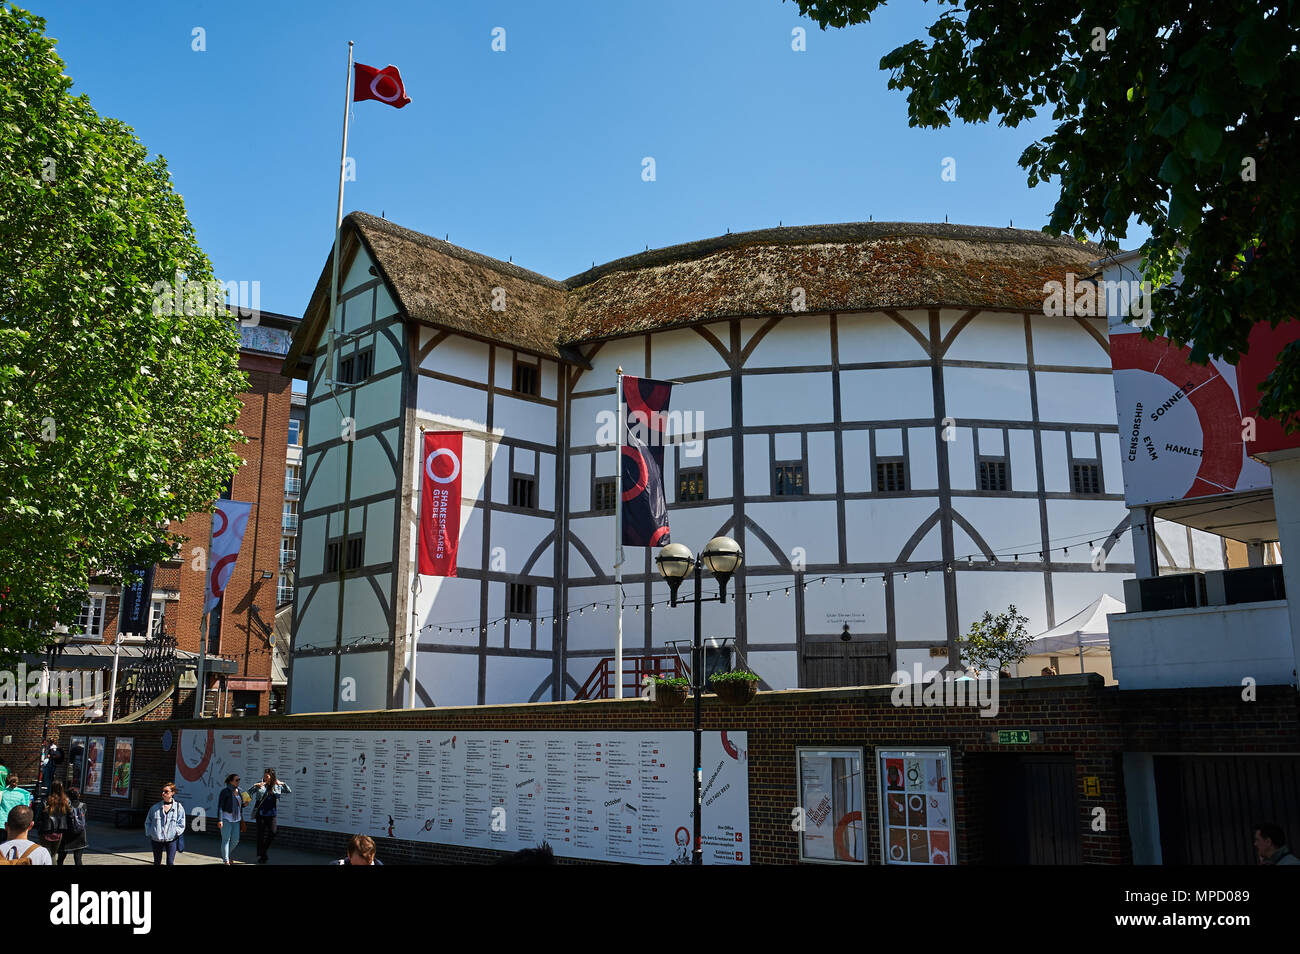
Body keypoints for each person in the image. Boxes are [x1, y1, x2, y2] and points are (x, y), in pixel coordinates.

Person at [250, 768, 291, 864]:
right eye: (264, 776)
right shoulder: (260, 784)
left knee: (273, 832)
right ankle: (263, 856)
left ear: (272, 776)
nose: (265, 777)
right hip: (260, 814)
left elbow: (288, 791)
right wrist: (255, 786)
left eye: (267, 776)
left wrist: (282, 783)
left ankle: (262, 851)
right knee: (260, 835)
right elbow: (250, 792)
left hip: (271, 813)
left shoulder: (276, 786)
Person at [144, 781, 186, 865]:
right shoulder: (155, 807)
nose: (163, 793)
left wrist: (176, 832)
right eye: (163, 791)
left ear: (172, 793)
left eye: (166, 791)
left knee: (170, 862)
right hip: (157, 839)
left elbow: (182, 823)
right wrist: (150, 833)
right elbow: (148, 822)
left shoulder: (178, 807)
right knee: (157, 862)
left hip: (171, 839)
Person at [35, 779, 71, 854]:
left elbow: (38, 816)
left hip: (46, 830)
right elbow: (70, 816)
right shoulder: (66, 801)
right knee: (53, 854)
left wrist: (38, 827)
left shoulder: (45, 800)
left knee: (45, 854)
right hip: (59, 831)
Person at [217, 773, 244, 865]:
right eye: (237, 780)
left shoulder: (240, 791)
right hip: (226, 818)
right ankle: (226, 861)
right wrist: (220, 820)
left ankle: (226, 854)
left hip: (237, 819)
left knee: (236, 840)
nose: (238, 781)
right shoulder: (225, 791)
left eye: (239, 779)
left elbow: (241, 804)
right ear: (231, 781)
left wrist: (245, 804)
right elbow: (220, 806)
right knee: (226, 839)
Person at [57, 785, 88, 865]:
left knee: (60, 860)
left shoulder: (65, 806)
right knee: (78, 860)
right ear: (78, 795)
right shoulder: (83, 805)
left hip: (67, 834)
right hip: (80, 834)